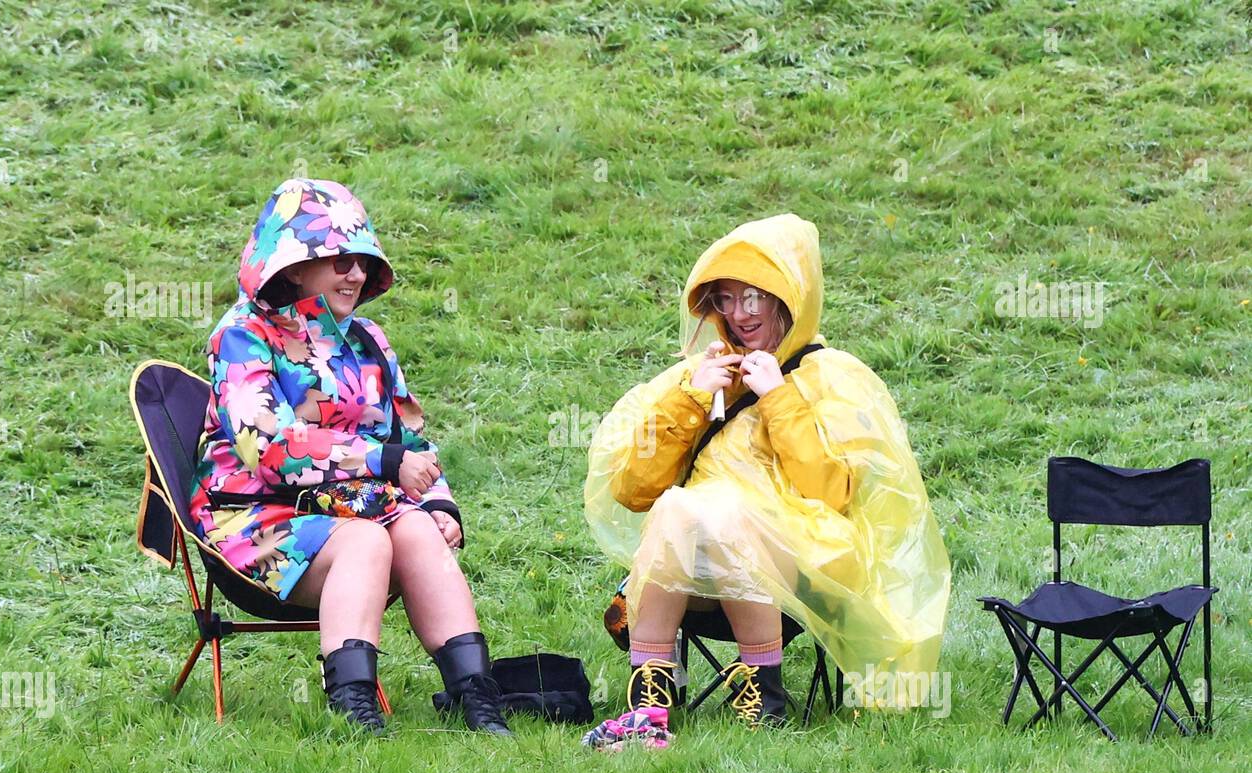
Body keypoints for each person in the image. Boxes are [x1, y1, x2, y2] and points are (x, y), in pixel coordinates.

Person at [584, 213, 950, 725]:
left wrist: (778, 399)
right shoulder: (701, 376)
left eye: (754, 296)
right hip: (693, 561)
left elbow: (832, 493)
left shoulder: (833, 377)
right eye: (727, 299)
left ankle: (757, 692)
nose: (740, 313)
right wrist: (690, 400)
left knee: (726, 510)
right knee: (678, 506)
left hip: (803, 564)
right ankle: (650, 708)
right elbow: (633, 490)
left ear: (789, 298)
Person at [189, 178, 510, 735]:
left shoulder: (369, 340)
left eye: (362, 261)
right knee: (367, 539)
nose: (355, 274)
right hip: (253, 521)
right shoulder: (241, 336)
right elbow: (265, 447)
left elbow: (409, 441)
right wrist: (381, 463)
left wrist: (438, 503)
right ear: (291, 268)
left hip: (352, 506)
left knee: (414, 530)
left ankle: (476, 697)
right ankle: (354, 710)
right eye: (339, 260)